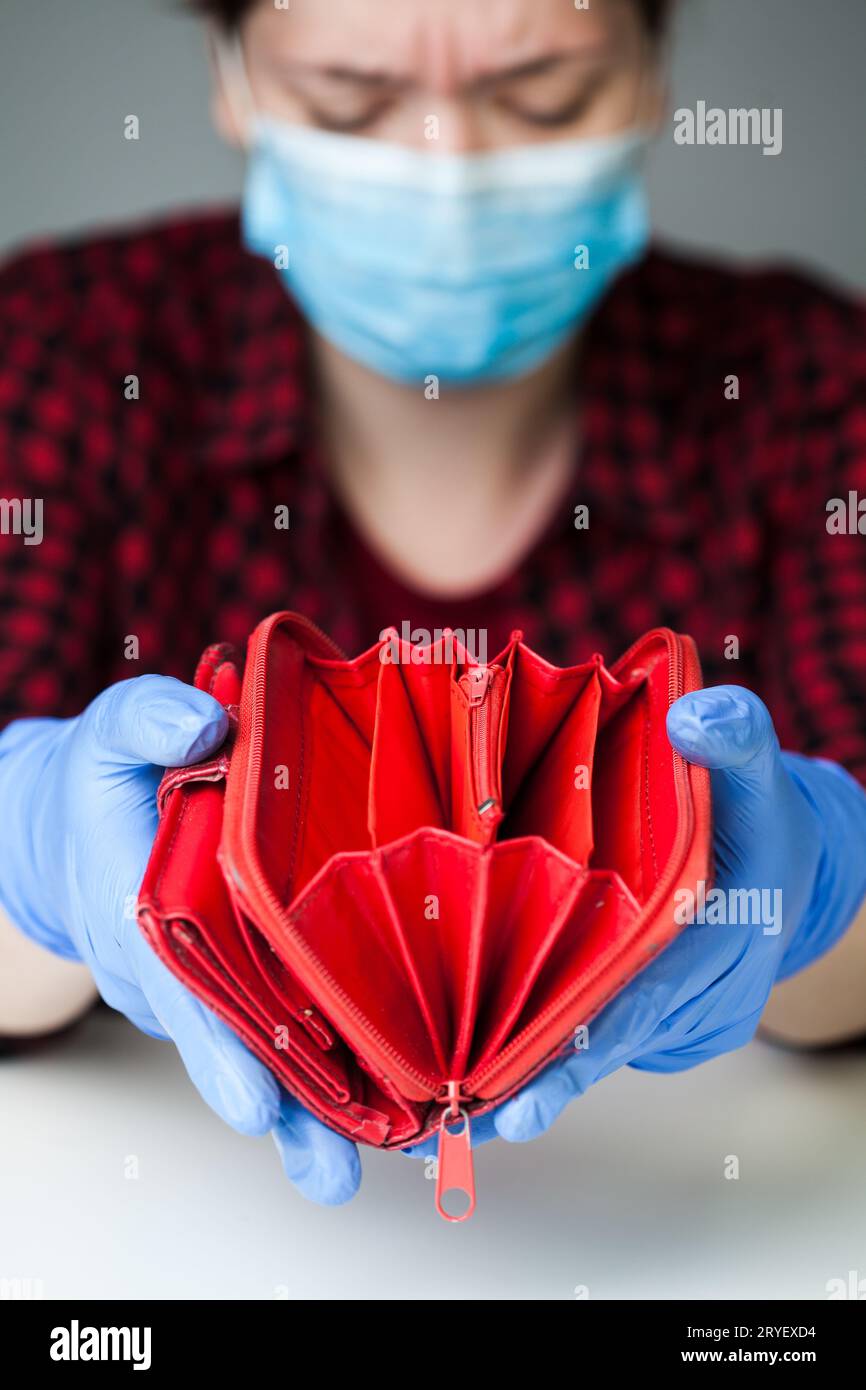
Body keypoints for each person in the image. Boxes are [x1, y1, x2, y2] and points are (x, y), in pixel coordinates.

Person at [1, 0, 865, 1206]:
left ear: (651, 70)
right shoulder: (52, 362)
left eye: (543, 92)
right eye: (351, 96)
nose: (444, 167)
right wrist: (29, 861)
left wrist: (822, 889)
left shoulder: (815, 398)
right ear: (232, 75)